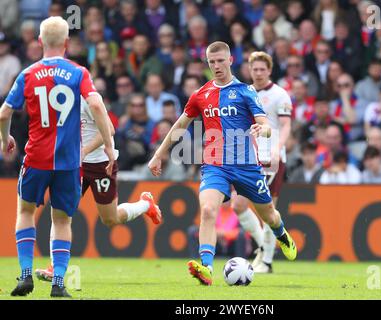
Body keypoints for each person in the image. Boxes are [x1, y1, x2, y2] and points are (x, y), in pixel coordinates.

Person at [148, 42, 297, 286]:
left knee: (269, 214)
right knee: (207, 210)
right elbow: (180, 125)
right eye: (211, 62)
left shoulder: (246, 91)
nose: (216, 66)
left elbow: (267, 125)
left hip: (247, 166)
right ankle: (206, 268)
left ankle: (281, 234)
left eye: (220, 61)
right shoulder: (201, 94)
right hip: (215, 165)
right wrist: (158, 154)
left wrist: (264, 130)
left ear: (230, 61)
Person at [0, 17, 115, 298]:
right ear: (66, 43)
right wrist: (109, 145)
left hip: (36, 157)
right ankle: (59, 283)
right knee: (62, 220)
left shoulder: (27, 74)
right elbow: (97, 105)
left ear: (39, 42)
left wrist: (6, 139)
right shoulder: (78, 72)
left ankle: (26, 274)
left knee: (26, 212)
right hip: (68, 162)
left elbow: (4, 113)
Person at [33, 98, 162, 283]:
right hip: (73, 165)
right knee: (60, 213)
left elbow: (109, 130)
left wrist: (84, 151)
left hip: (101, 163)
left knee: (110, 219)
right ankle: (55, 267)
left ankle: (145, 204)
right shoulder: (55, 97)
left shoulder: (89, 98)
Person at [231, 51, 292, 273]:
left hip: (271, 158)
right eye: (254, 69)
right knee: (237, 205)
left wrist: (277, 149)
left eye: (261, 69)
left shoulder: (279, 94)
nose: (257, 73)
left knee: (267, 209)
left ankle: (266, 260)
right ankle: (262, 248)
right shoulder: (243, 92)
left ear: (269, 70)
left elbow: (285, 126)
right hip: (248, 158)